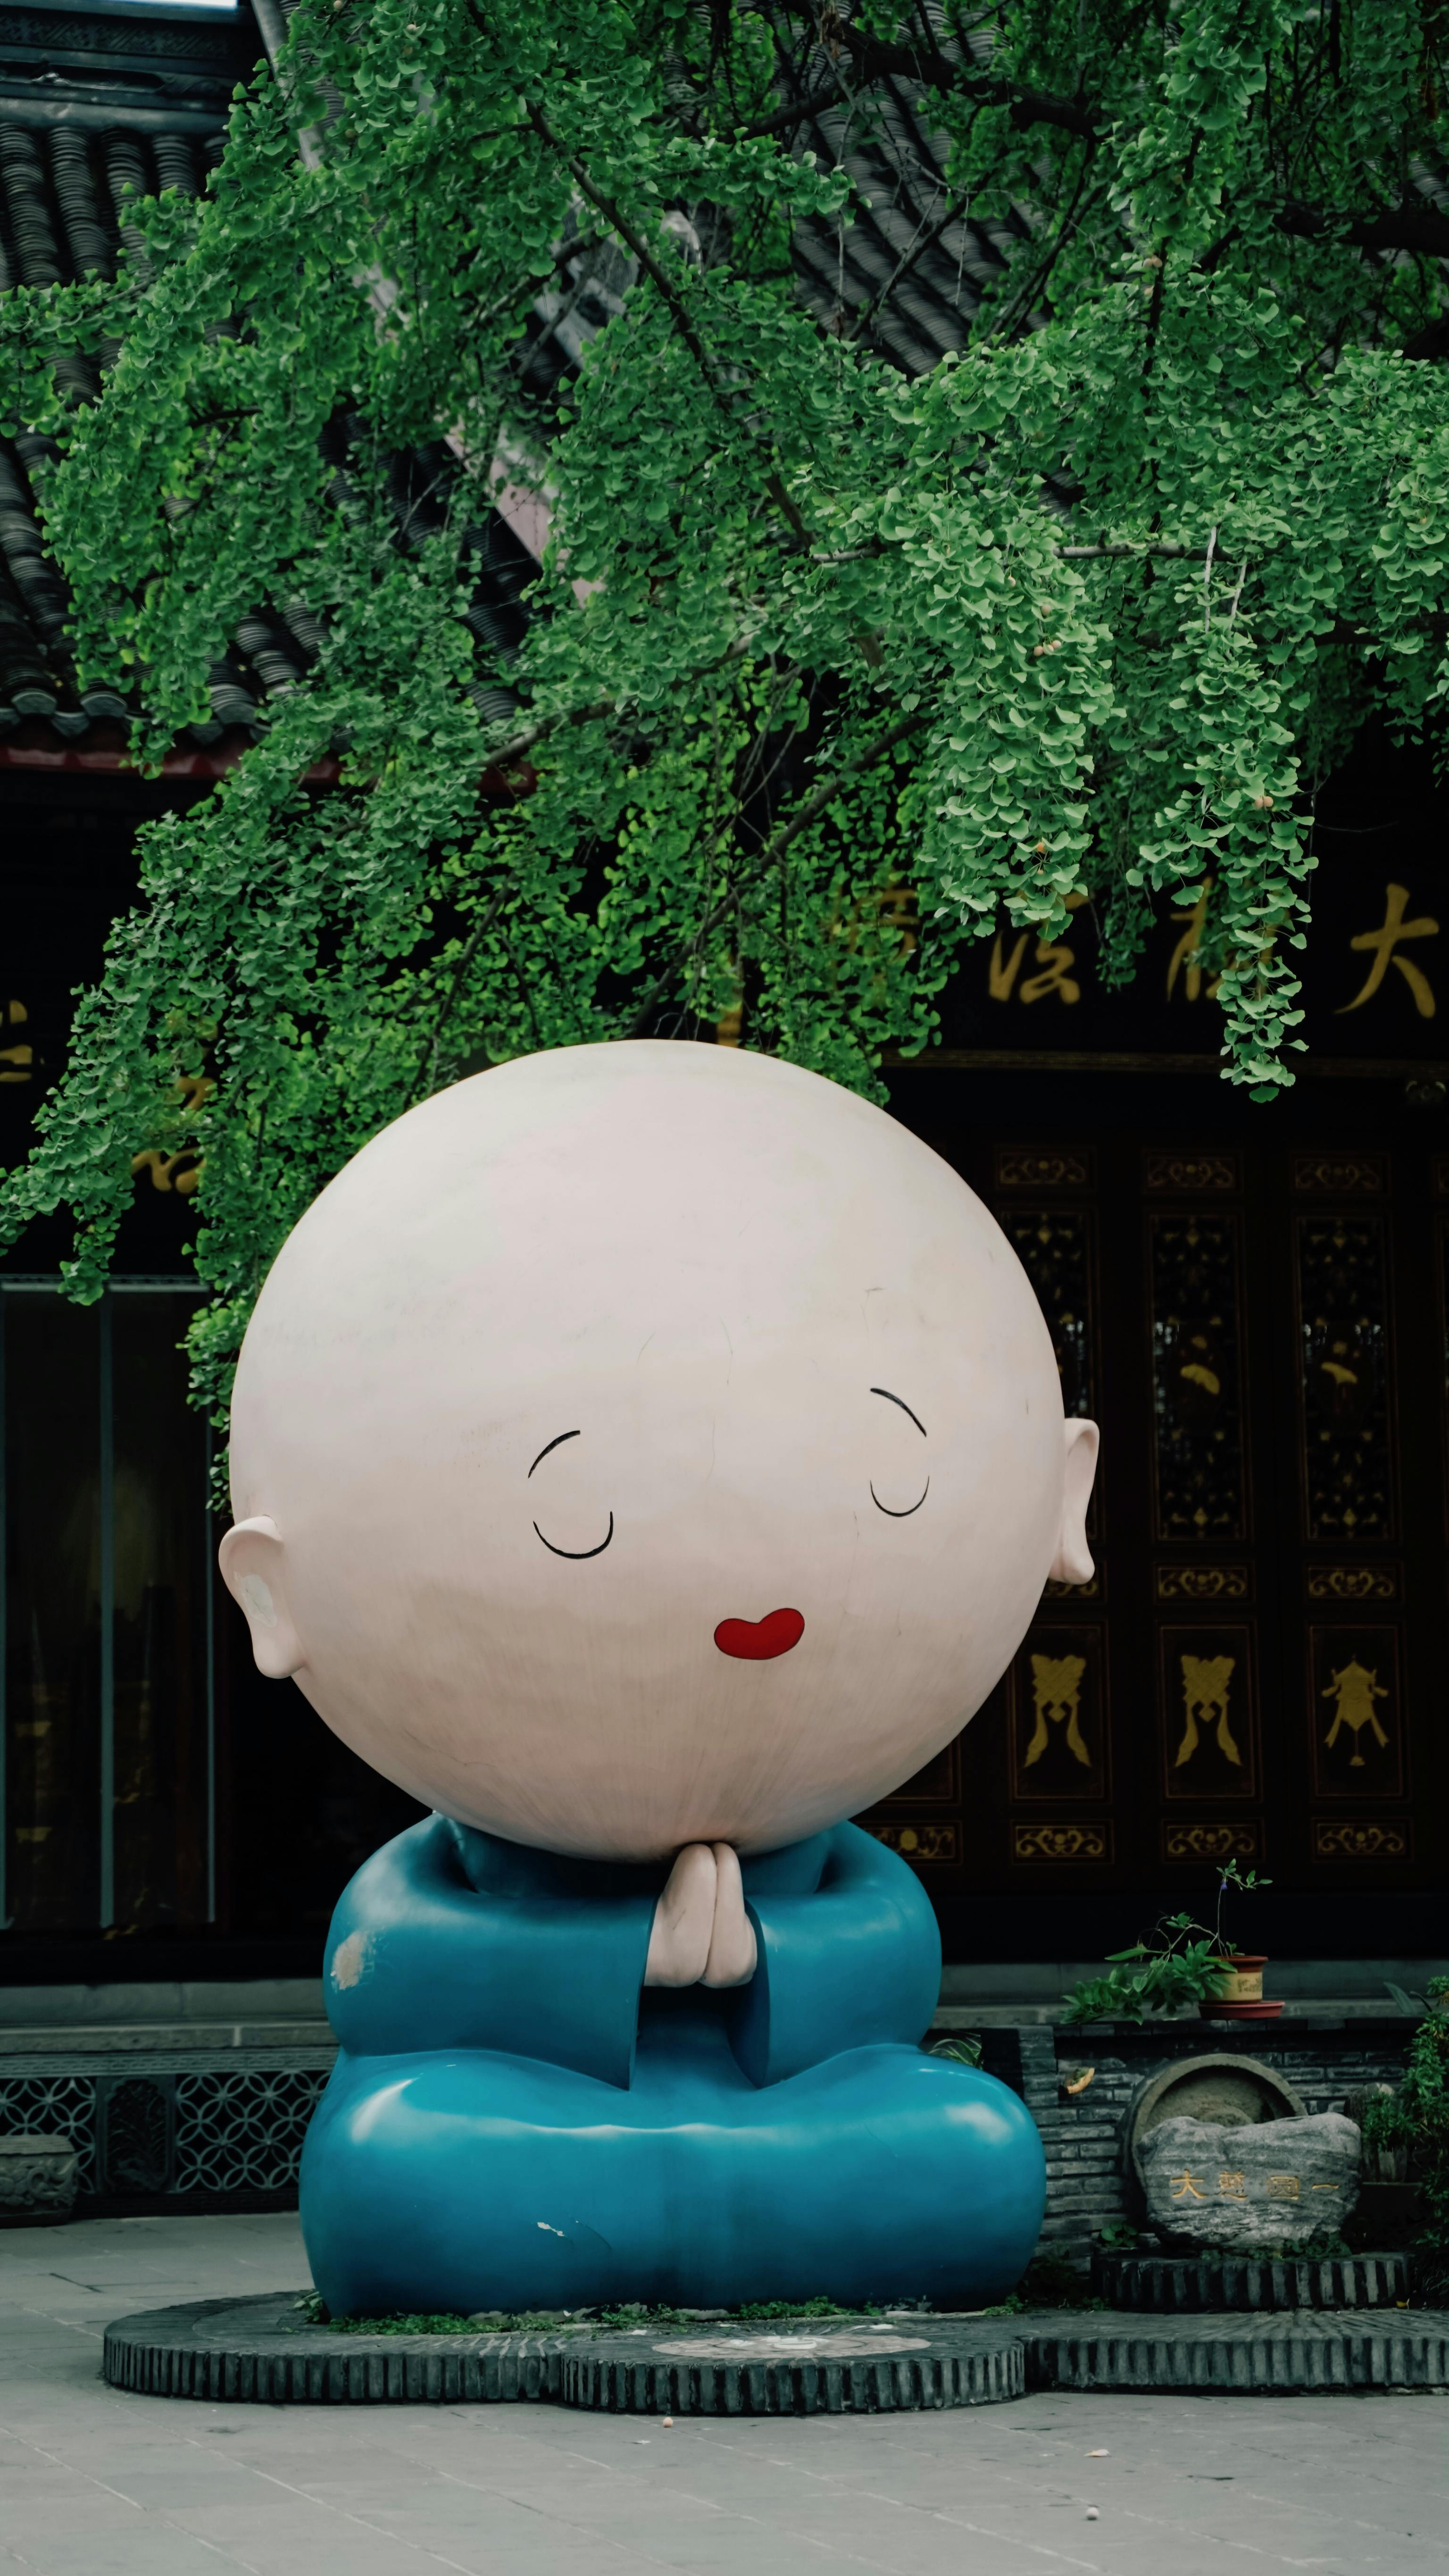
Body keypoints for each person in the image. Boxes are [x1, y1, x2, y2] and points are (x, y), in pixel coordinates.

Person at [221, 1041, 1097, 2315]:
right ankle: (715, 2216)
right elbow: (387, 1967)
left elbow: (896, 1955)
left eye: (881, 1475)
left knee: (972, 2135)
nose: (754, 1582)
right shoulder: (453, 1859)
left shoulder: (829, 1863)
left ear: (1062, 1501)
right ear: (274, 1595)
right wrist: (618, 1954)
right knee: (397, 2152)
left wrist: (768, 1957)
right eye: (578, 1507)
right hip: (511, 2098)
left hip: (806, 2097)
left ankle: (663, 2213)